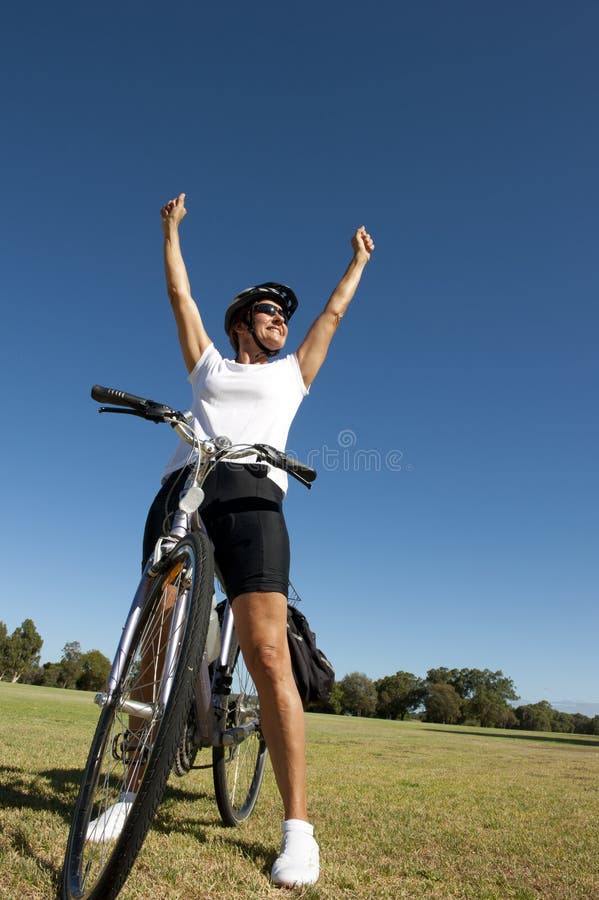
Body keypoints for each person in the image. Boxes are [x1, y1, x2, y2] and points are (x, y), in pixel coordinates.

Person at [93, 193, 374, 887]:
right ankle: (130, 792)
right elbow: (179, 294)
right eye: (270, 314)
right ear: (242, 324)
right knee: (153, 645)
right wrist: (169, 231)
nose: (282, 322)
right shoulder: (210, 368)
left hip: (253, 496)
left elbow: (333, 314)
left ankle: (296, 830)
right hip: (187, 488)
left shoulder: (292, 375)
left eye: (284, 316)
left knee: (267, 650)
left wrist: (356, 261)